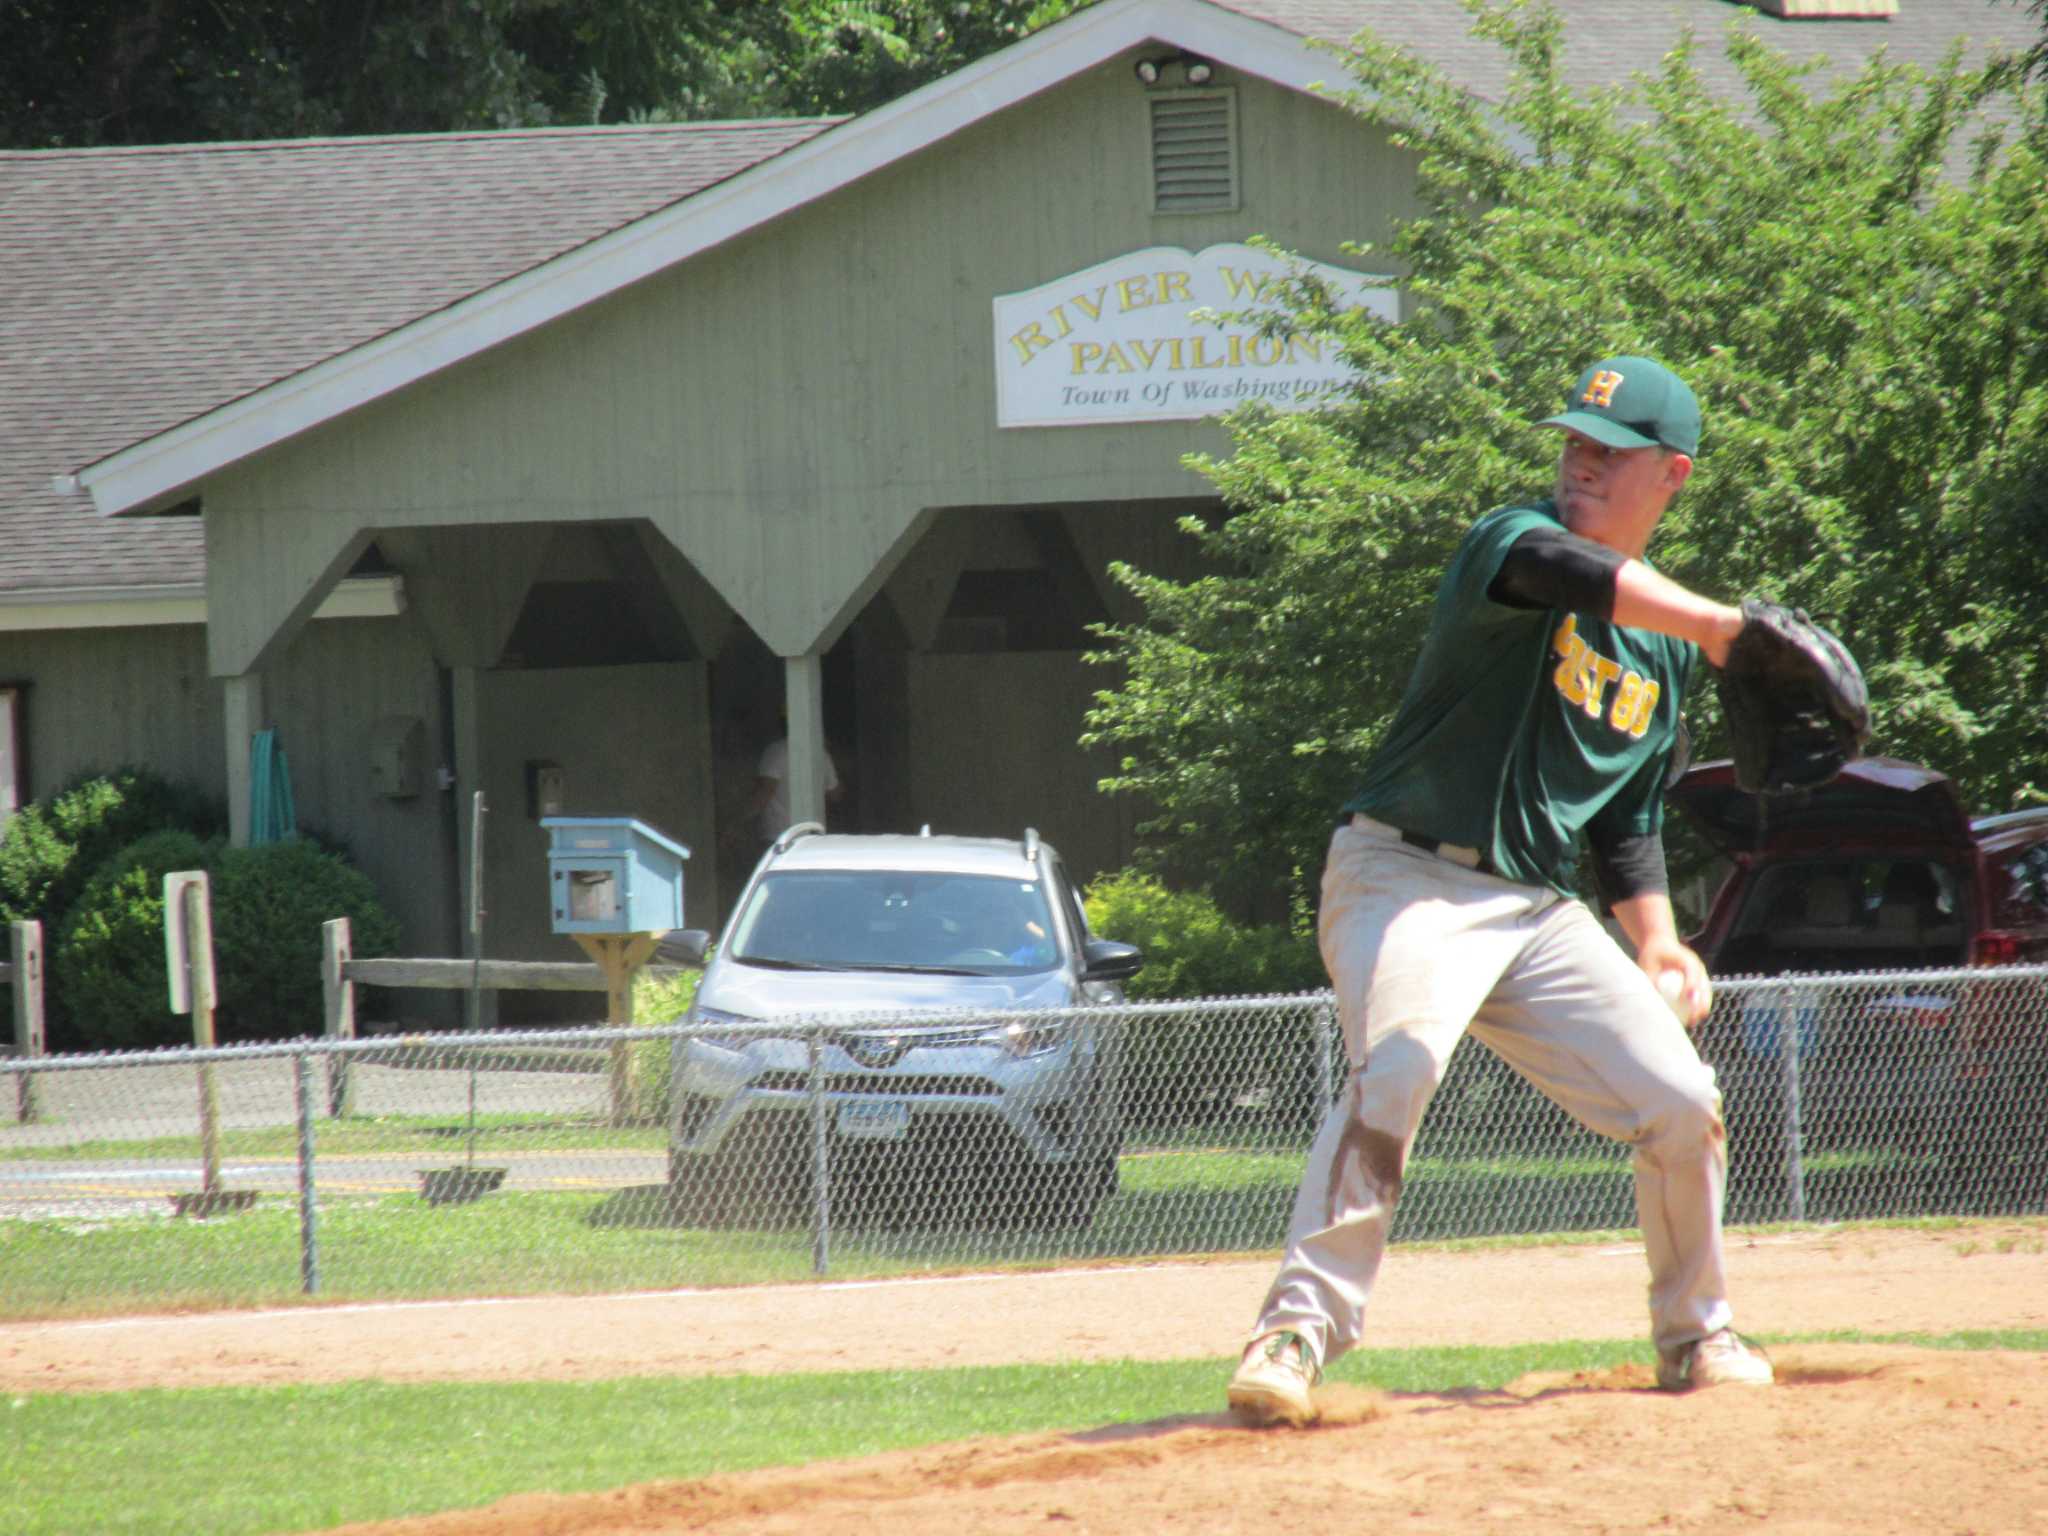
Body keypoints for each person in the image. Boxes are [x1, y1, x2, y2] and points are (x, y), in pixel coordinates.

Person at [1227, 355, 1773, 1427]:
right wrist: (1721, 627)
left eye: (1606, 455)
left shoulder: (1656, 664)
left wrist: (1656, 941)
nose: (1578, 464)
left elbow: (1620, 816)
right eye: (1572, 442)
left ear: (1671, 475)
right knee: (1401, 1061)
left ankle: (1696, 1333)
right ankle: (1296, 1331)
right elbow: (1566, 572)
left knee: (1678, 1103)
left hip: (1529, 907)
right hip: (1402, 873)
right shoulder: (1509, 540)